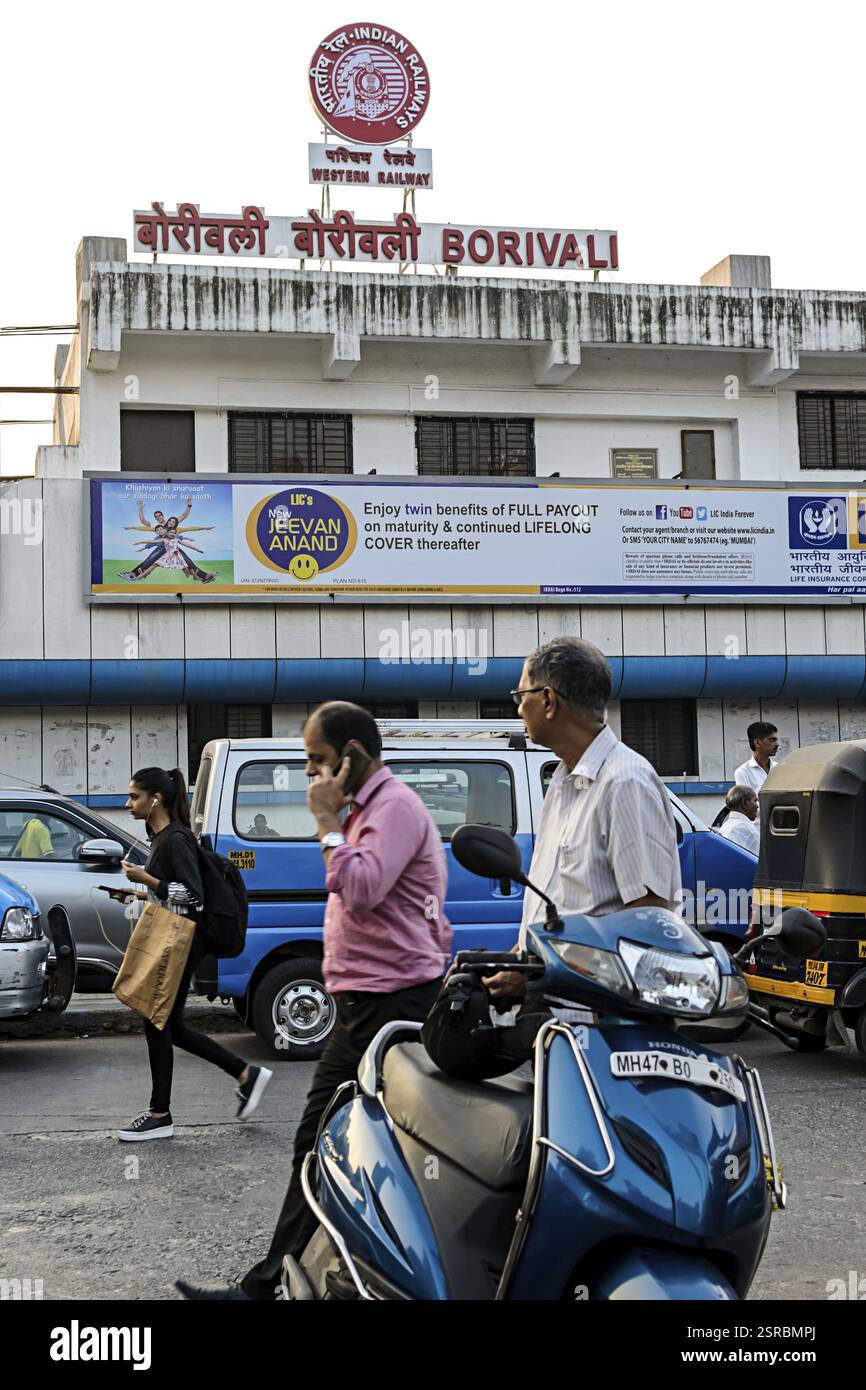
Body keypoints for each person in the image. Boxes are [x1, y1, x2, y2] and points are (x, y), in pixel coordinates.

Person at [176, 701, 452, 1299]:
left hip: (394, 1006)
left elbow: (359, 887)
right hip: (368, 1005)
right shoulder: (366, 810)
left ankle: (275, 1288)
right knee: (335, 1143)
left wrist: (326, 822)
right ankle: (286, 1282)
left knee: (348, 1143)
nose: (311, 777)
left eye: (318, 762)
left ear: (353, 756)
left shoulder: (394, 808)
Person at [423, 636, 682, 1079]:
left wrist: (538, 972)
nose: (516, 708)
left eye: (519, 696)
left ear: (547, 701)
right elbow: (565, 903)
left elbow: (649, 920)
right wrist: (516, 962)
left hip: (607, 1035)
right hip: (556, 1022)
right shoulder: (563, 781)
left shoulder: (624, 783)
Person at [113, 766, 271, 1141]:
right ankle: (245, 1074)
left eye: (134, 796)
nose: (127, 803)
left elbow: (193, 896)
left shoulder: (176, 839)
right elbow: (176, 892)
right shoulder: (163, 839)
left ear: (156, 799)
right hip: (178, 938)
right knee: (169, 1025)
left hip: (184, 942)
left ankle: (160, 1114)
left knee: (158, 1021)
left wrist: (146, 880)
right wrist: (138, 894)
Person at [734, 722, 779, 801]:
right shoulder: (743, 772)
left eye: (776, 740)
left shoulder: (779, 768)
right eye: (772, 740)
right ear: (757, 742)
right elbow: (746, 804)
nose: (777, 744)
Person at [717, 785, 760, 856]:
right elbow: (760, 863)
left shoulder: (726, 826)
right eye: (755, 801)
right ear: (745, 804)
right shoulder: (746, 830)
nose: (757, 805)